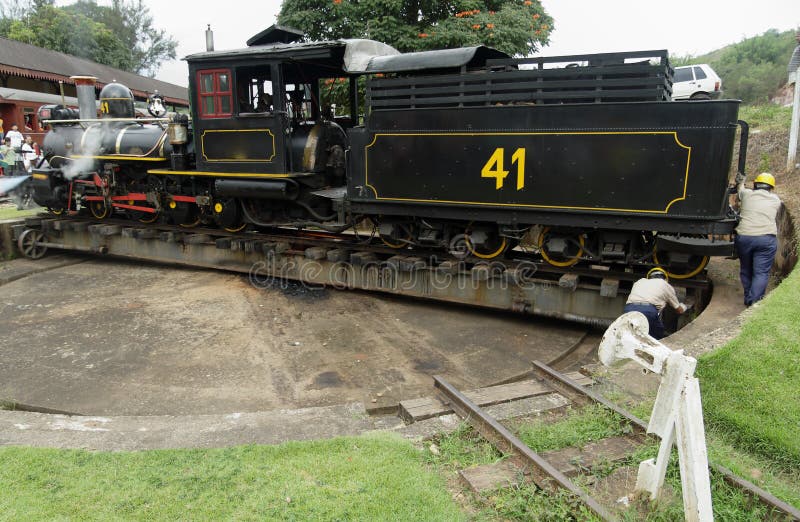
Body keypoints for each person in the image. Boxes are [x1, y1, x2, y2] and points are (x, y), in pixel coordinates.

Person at [734, 172, 781, 306]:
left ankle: (749, 297)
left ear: (755, 185)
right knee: (761, 273)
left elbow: (740, 190)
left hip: (745, 238)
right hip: (766, 239)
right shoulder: (775, 200)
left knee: (746, 270)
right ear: (771, 188)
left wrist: (741, 182)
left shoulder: (747, 194)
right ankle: (754, 302)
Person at [623, 267, 689, 339]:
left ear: (649, 277)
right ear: (665, 279)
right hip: (648, 311)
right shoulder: (665, 284)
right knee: (657, 333)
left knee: (630, 334)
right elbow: (679, 309)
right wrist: (685, 307)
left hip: (629, 309)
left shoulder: (639, 281)